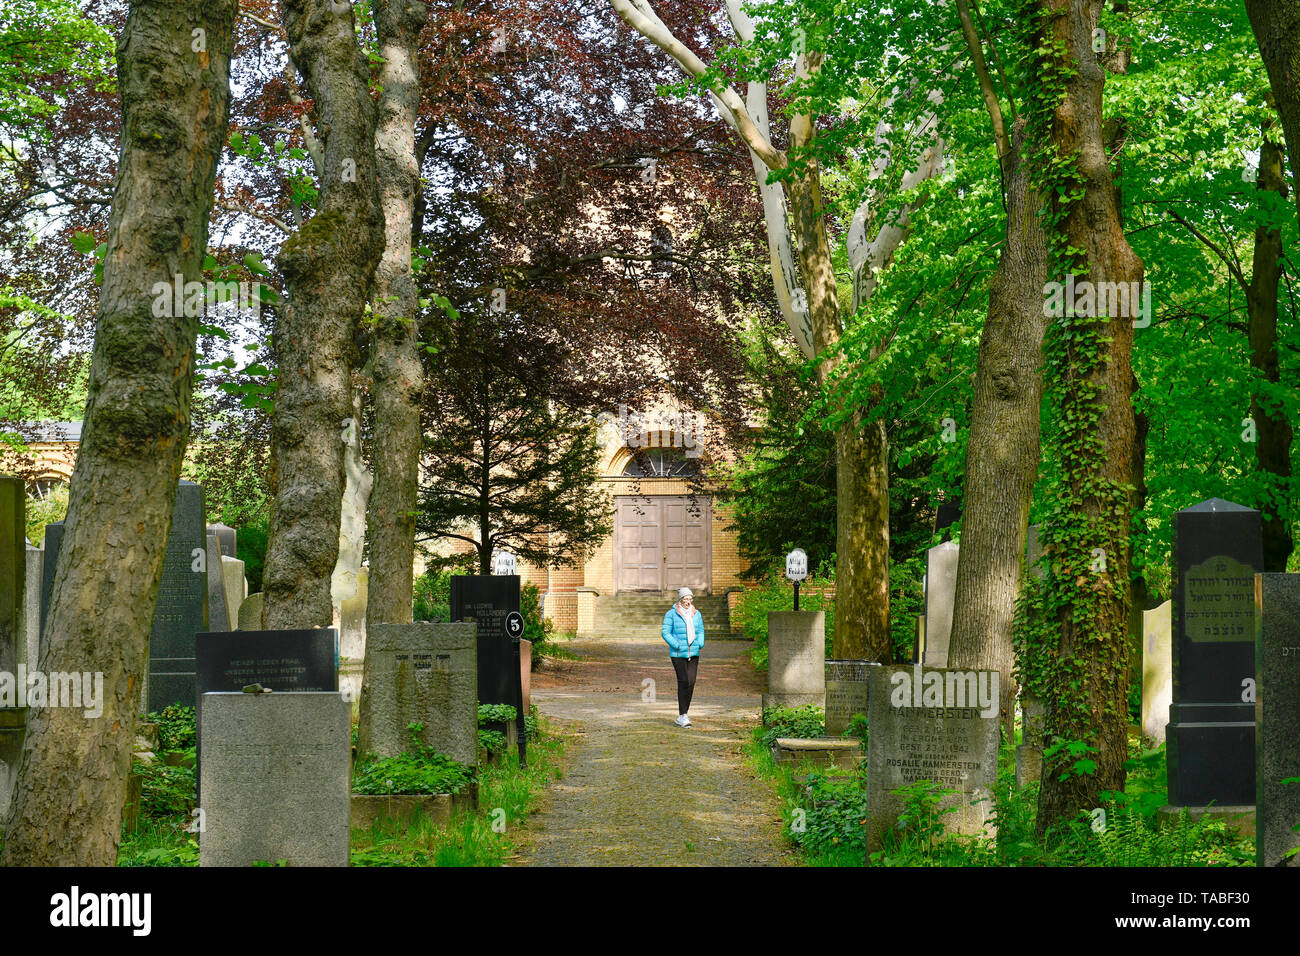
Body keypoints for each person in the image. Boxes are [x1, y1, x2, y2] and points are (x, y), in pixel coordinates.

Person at [662, 586, 704, 727]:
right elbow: (665, 632)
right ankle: (683, 715)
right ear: (680, 600)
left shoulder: (696, 613)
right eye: (685, 599)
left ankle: (684, 713)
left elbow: (701, 630)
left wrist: (700, 643)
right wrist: (676, 644)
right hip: (678, 654)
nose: (688, 601)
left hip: (694, 653)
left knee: (691, 682)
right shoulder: (671, 614)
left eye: (690, 599)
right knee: (683, 681)